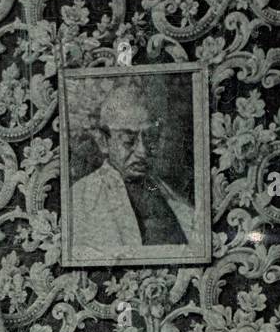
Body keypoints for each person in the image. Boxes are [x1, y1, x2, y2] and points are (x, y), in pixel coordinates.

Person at [68, 81, 196, 258]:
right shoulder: (79, 199)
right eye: (129, 141)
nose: (142, 152)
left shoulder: (164, 189)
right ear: (104, 142)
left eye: (149, 138)